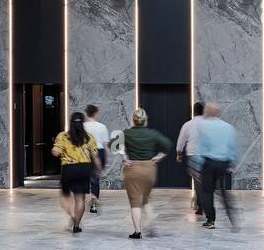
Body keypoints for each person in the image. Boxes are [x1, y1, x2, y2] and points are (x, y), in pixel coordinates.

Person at [122, 107, 173, 240]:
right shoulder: (153, 133)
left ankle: (137, 231)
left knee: (135, 202)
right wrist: (158, 157)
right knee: (145, 199)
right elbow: (168, 145)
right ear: (145, 120)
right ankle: (151, 224)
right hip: (150, 169)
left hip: (133, 168)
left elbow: (112, 144)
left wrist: (124, 157)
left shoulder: (126, 133)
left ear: (133, 120)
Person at [189, 102, 238, 231]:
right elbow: (232, 147)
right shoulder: (228, 127)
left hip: (209, 163)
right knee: (223, 191)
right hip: (223, 163)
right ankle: (233, 219)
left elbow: (200, 147)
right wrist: (231, 163)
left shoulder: (203, 126)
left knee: (206, 191)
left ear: (208, 112)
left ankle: (210, 220)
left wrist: (196, 166)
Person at [52, 111, 100, 235]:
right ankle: (77, 225)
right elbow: (95, 156)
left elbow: (56, 153)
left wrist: (56, 149)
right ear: (82, 123)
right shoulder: (88, 137)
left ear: (70, 123)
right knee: (80, 199)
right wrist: (98, 169)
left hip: (69, 169)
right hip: (84, 168)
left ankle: (73, 216)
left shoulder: (63, 136)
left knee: (65, 197)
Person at [176, 100, 205, 218]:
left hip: (193, 156)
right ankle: (205, 203)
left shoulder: (188, 124)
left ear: (193, 112)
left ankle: (201, 206)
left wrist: (179, 153)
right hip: (207, 156)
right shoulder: (209, 124)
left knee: (197, 181)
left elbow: (181, 141)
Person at [83, 104, 110, 214]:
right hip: (99, 152)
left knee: (84, 178)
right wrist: (106, 159)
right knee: (95, 179)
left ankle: (84, 200)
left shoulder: (82, 126)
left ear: (86, 113)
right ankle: (93, 204)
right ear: (95, 113)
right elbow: (106, 144)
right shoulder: (102, 126)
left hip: (85, 153)